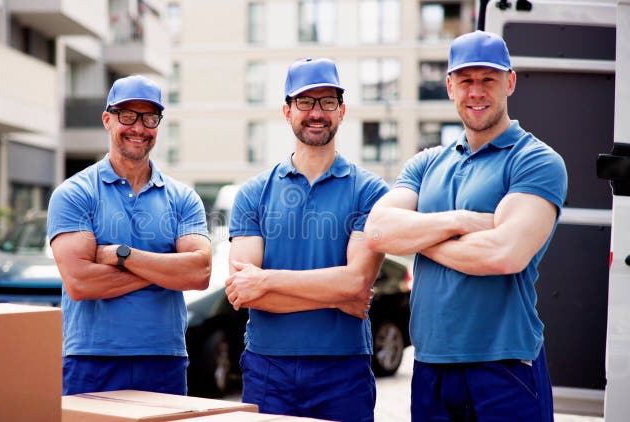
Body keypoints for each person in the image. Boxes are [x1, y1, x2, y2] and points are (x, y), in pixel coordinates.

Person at [364, 31, 567, 421]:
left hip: (504, 365)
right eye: (466, 81)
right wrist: (459, 221)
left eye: (488, 80)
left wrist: (417, 237)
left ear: (509, 82)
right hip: (430, 366)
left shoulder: (535, 161)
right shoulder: (426, 164)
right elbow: (377, 231)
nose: (476, 92)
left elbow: (503, 253)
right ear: (450, 87)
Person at [225, 58, 389, 422]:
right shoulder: (253, 194)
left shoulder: (371, 191)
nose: (317, 113)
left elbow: (356, 281)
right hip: (268, 366)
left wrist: (267, 280)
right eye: (305, 103)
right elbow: (243, 291)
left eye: (327, 102)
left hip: (343, 368)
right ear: (287, 111)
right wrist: (335, 295)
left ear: (342, 111)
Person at [47, 75, 212, 396]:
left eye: (149, 118)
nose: (138, 127)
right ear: (107, 120)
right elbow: (81, 284)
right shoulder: (75, 193)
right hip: (92, 358)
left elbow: (200, 273)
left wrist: (123, 256)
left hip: (165, 357)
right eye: (128, 116)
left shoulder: (182, 198)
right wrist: (168, 271)